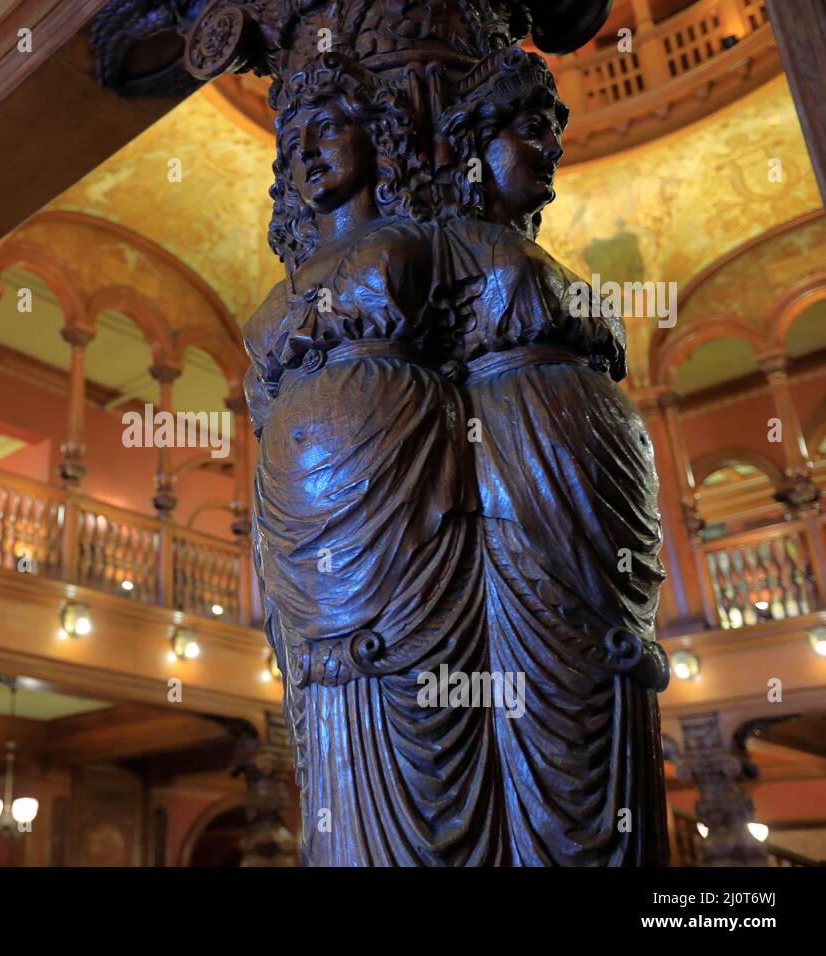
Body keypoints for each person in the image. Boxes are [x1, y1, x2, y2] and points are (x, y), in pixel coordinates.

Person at [244, 54, 503, 866]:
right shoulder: (321, 269)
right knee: (329, 723)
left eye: (329, 128)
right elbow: (259, 384)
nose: (306, 152)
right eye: (292, 144)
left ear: (380, 136)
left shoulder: (411, 239)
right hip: (302, 518)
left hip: (404, 493)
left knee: (420, 710)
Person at [438, 47, 671, 865]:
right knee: (555, 685)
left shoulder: (535, 258)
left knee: (615, 678)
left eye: (555, 132)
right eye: (530, 129)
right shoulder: (450, 247)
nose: (552, 149)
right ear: (476, 142)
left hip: (600, 484)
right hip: (521, 463)